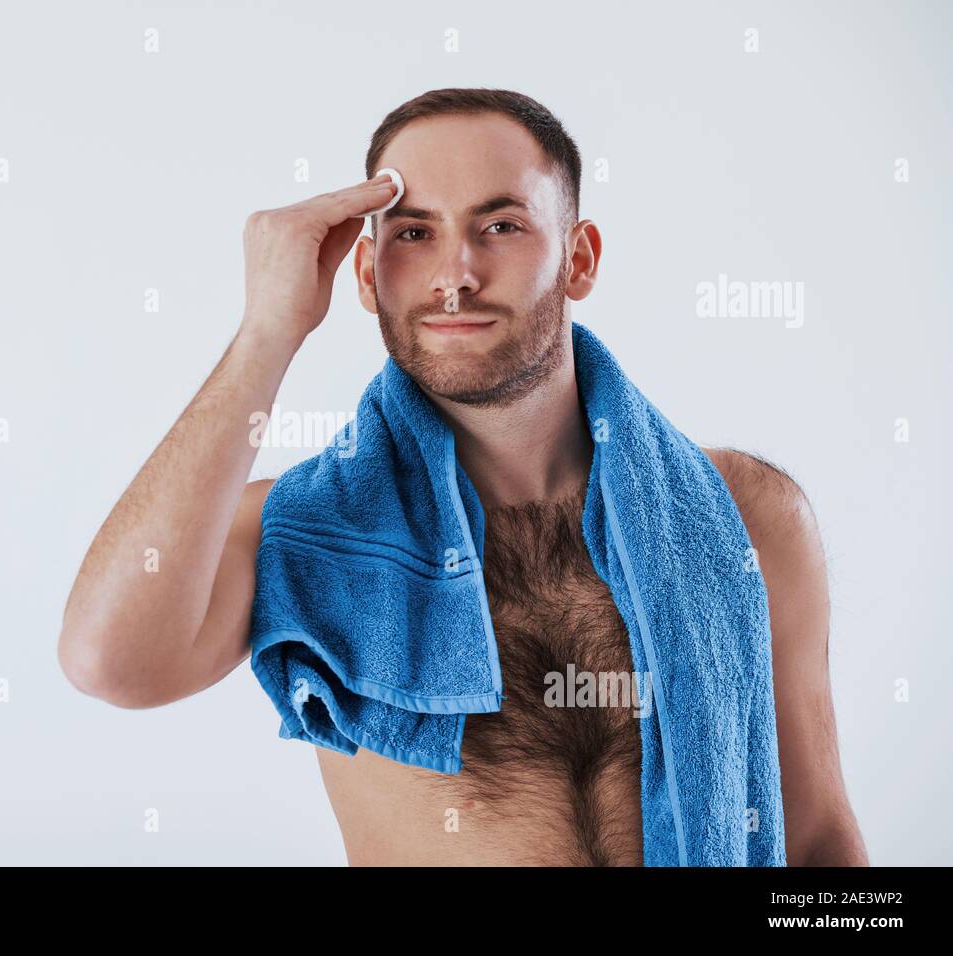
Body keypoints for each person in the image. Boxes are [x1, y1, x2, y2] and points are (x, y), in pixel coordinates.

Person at [58, 88, 868, 866]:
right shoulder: (302, 534)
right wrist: (269, 331)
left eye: (501, 225)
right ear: (368, 275)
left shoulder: (744, 515)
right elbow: (109, 661)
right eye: (414, 234)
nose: (456, 274)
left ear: (578, 258)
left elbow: (820, 836)